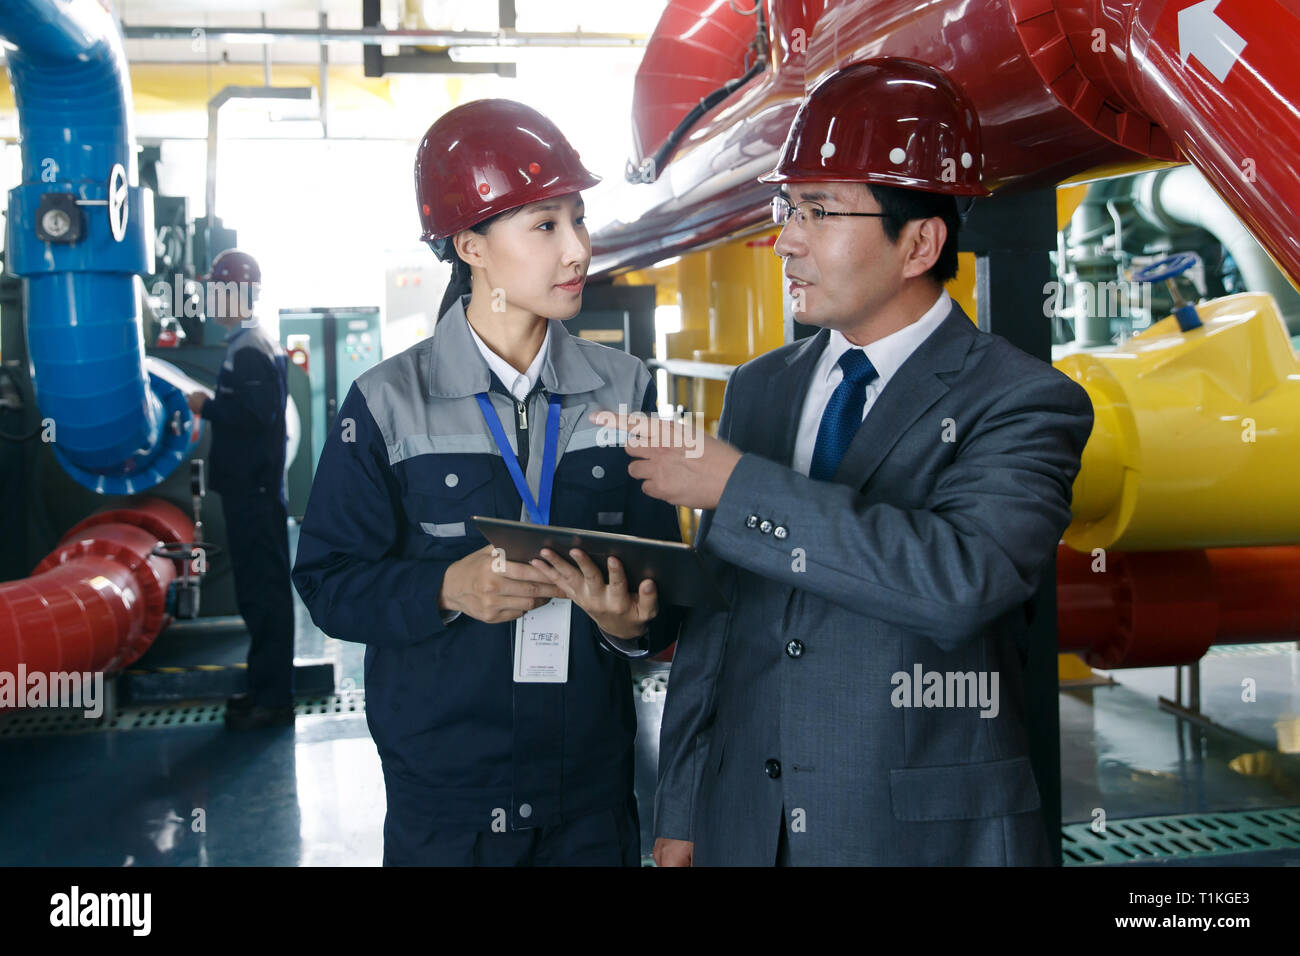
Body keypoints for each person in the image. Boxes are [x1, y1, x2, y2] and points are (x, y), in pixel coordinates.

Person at [593, 58, 1095, 865]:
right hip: (750, 830)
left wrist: (732, 482)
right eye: (786, 207)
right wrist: (682, 806)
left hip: (919, 836)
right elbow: (727, 619)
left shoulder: (1025, 400)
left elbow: (962, 581)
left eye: (819, 211)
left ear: (920, 242)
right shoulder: (762, 389)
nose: (785, 239)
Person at [291, 99, 685, 866]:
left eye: (578, 218)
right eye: (545, 226)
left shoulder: (628, 390)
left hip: (591, 796)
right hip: (448, 804)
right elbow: (329, 582)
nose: (578, 249)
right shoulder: (383, 404)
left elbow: (664, 593)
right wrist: (447, 589)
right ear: (470, 245)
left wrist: (627, 624)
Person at [185, 249, 296, 731]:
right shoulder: (250, 342)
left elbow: (255, 418)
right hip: (253, 491)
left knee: (263, 594)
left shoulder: (249, 346)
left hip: (253, 493)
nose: (209, 300)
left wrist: (204, 405)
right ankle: (265, 691)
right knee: (259, 593)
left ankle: (272, 699)